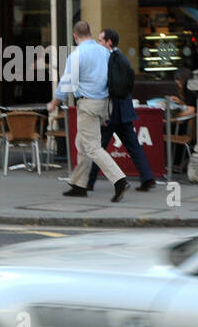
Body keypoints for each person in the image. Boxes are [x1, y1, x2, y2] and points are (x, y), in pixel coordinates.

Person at [47, 21, 129, 201]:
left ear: (75, 37)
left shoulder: (77, 55)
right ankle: (79, 185)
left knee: (92, 148)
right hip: (105, 104)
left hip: (88, 105)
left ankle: (119, 179)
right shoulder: (105, 51)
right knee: (82, 144)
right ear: (90, 33)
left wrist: (54, 101)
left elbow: (67, 82)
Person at [86, 29, 156, 193]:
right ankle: (147, 178)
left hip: (111, 111)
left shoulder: (107, 60)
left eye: (101, 40)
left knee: (98, 147)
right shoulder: (123, 59)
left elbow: (106, 87)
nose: (99, 43)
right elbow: (130, 82)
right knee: (133, 146)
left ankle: (88, 181)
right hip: (124, 109)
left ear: (109, 42)